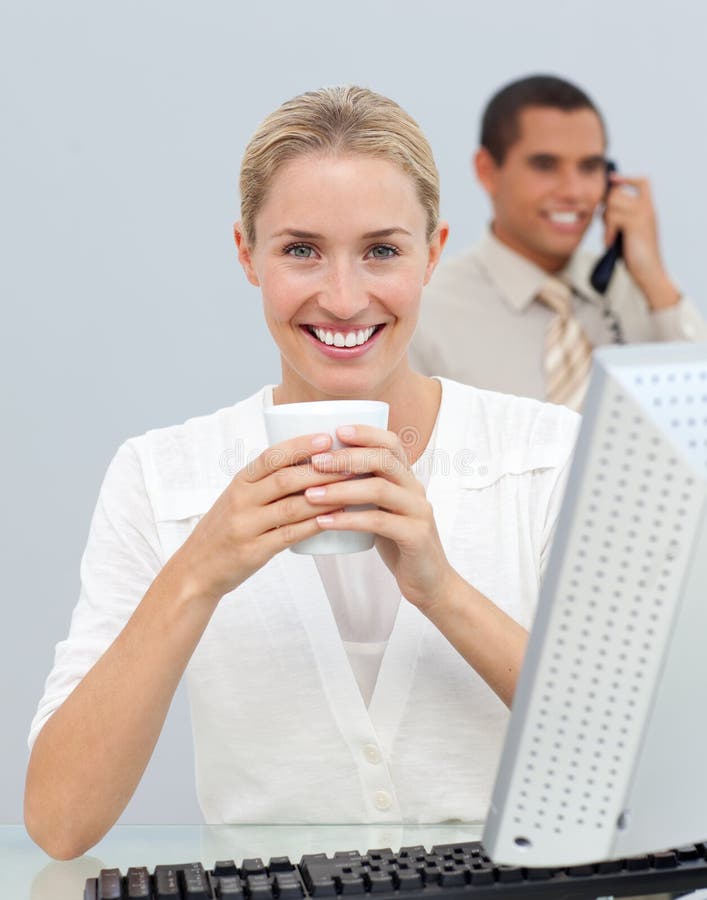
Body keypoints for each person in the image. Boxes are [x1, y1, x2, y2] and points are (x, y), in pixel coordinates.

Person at [24, 86, 579, 860]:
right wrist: (197, 573)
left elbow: (631, 766)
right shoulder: (159, 476)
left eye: (382, 250)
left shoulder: (552, 457)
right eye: (300, 249)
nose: (344, 298)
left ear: (434, 252)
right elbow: (59, 822)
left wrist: (440, 592)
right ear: (246, 254)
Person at [410, 74, 707, 409]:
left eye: (589, 167)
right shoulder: (426, 311)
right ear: (487, 170)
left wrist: (655, 279)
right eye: (545, 166)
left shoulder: (641, 293)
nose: (573, 191)